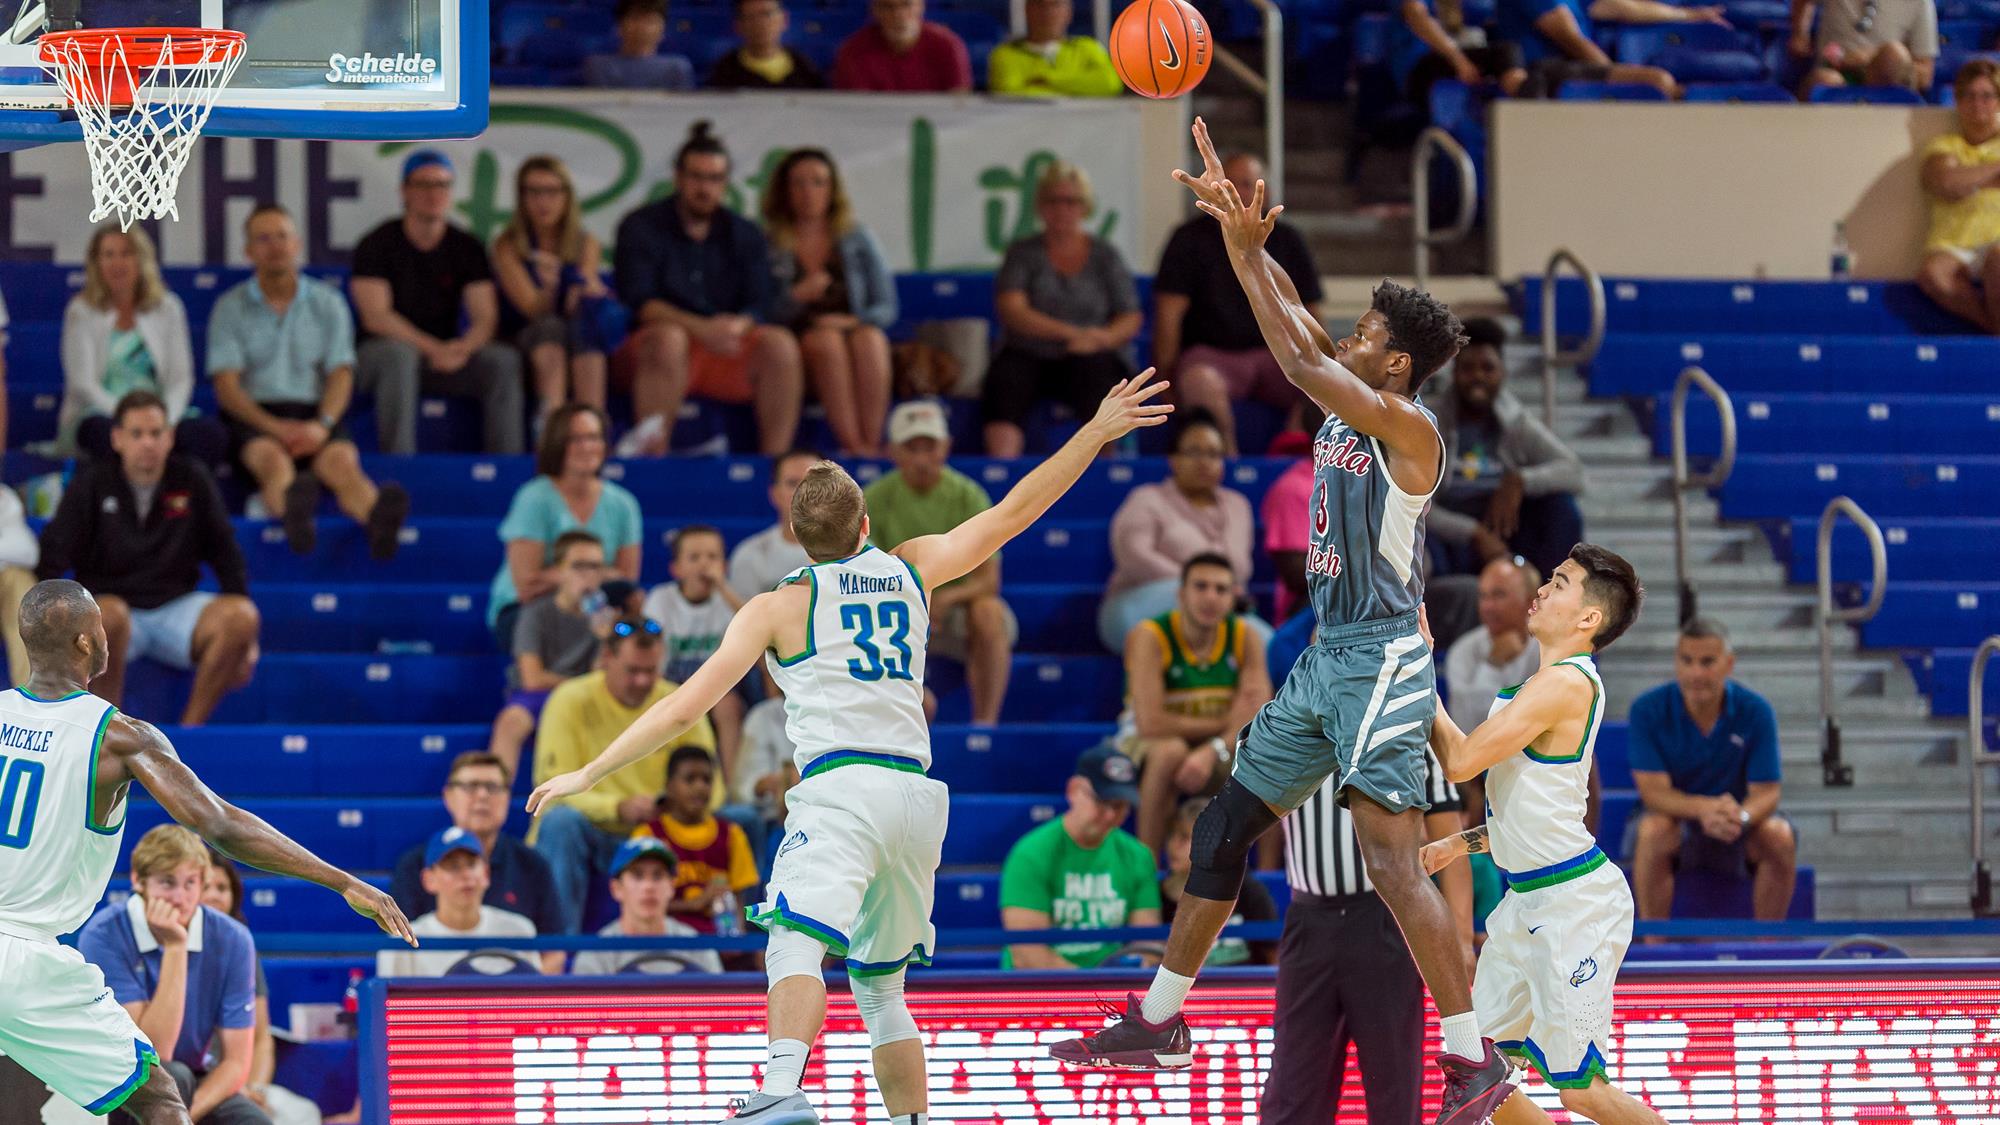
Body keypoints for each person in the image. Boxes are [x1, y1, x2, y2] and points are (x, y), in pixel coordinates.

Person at [527, 375, 1171, 1125]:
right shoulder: (912, 566)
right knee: (883, 988)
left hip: (842, 789)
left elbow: (682, 707)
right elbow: (1014, 511)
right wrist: (1095, 430)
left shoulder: (778, 605)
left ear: (797, 536)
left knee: (792, 941)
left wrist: (590, 771)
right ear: (866, 522)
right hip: (917, 798)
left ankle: (781, 1087)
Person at [1052, 118, 1515, 1125]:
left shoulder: (1410, 429)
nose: (1348, 337)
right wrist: (1243, 246)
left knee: (1388, 857)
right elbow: (1302, 332)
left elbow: (1303, 359)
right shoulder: (1353, 400)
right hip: (1324, 654)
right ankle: (1159, 1017)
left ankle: (1472, 1055)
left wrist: (1243, 253)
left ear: (1397, 368)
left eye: (1368, 337)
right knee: (1222, 826)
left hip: (1383, 655)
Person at [0, 578, 411, 1125]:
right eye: (99, 624)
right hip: (24, 956)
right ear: (84, 641)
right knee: (160, 1101)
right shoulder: (118, 736)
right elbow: (219, 824)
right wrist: (342, 880)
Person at [1420, 545, 1663, 1125]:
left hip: (1574, 904)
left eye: (1559, 583)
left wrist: (1419, 672)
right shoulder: (1545, 684)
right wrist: (1460, 843)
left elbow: (1461, 762)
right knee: (1483, 1077)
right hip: (1527, 899)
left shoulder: (1567, 684)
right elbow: (1535, 811)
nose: (1543, 590)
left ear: (1588, 618)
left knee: (1582, 1092)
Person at [1261, 636, 1470, 1125]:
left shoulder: (1409, 728)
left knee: (1394, 1084)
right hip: (1308, 921)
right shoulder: (1281, 726)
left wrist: (1460, 938)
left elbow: (1450, 844)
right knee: (1292, 1089)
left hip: (1386, 923)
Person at [37, 392, 260, 727]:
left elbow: (225, 552)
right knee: (108, 614)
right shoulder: (91, 482)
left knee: (242, 617)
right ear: (117, 438)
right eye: (137, 434)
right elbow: (55, 551)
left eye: (156, 433)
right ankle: (106, 734)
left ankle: (189, 733)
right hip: (111, 611)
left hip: (175, 608)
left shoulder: (192, 478)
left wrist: (247, 643)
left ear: (170, 437)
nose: (148, 443)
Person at [210, 204, 409, 560]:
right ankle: (293, 512)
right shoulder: (230, 307)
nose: (275, 246)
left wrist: (322, 425)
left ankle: (378, 522)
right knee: (274, 463)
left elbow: (341, 374)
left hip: (315, 413)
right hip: (255, 418)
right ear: (248, 251)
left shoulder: (328, 303)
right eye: (264, 239)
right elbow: (226, 388)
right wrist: (274, 428)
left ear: (297, 243)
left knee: (343, 463)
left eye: (282, 236)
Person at [614, 122, 804, 457]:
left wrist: (738, 326)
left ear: (725, 183)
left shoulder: (744, 232)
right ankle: (653, 461)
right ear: (678, 178)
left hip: (725, 347)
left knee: (780, 344)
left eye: (714, 179)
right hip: (656, 351)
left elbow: (761, 300)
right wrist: (702, 329)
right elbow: (640, 301)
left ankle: (778, 468)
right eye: (696, 177)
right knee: (668, 339)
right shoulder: (641, 226)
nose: (704, 188)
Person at [531, 617, 717, 933]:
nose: (642, 681)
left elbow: (714, 784)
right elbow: (550, 790)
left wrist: (672, 806)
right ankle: (558, 948)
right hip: (594, 831)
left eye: (651, 671)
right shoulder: (569, 699)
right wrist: (617, 807)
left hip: (662, 830)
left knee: (744, 820)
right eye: (632, 671)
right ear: (607, 657)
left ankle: (751, 947)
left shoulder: (677, 701)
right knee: (560, 823)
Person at [79, 826, 265, 1125]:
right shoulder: (104, 935)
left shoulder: (233, 938)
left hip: (194, 1079)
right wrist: (176, 946)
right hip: (124, 1079)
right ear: (139, 881)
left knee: (251, 1120)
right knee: (174, 1075)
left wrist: (183, 1117)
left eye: (190, 883)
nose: (180, 898)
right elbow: (155, 1052)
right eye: (167, 882)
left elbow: (235, 1062)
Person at [349, 149, 526, 456]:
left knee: (502, 361)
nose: (434, 194)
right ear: (405, 190)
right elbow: (376, 317)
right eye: (424, 185)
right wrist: (433, 348)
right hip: (381, 357)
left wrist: (462, 348)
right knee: (398, 357)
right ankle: (400, 466)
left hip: (444, 358)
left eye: (442, 185)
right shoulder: (376, 244)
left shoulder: (467, 246)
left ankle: (506, 466)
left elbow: (485, 317)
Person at [1627, 617, 1797, 923]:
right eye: (1687, 661)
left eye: (1707, 662)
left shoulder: (1756, 711)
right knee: (1653, 831)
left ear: (1728, 664)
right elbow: (1654, 793)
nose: (1696, 673)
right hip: (1675, 823)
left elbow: (1768, 792)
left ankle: (1768, 945)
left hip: (1736, 825)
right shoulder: (1646, 710)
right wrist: (1706, 809)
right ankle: (1655, 946)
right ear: (1676, 662)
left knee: (1779, 835)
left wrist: (1739, 817)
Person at [1153, 152, 1323, 455]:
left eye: (1246, 184)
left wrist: (1323, 365)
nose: (1236, 192)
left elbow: (1310, 313)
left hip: (1277, 355)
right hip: (1213, 357)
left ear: (1265, 191)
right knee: (1200, 380)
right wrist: (1167, 376)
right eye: (1229, 184)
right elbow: (1169, 316)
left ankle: (1291, 455)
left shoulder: (1287, 239)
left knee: (1324, 377)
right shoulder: (1188, 239)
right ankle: (1228, 463)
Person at [865, 400, 1017, 727]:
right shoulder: (873, 499)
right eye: (912, 448)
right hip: (896, 607)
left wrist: (946, 597)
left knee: (989, 612)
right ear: (893, 452)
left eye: (930, 447)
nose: (922, 458)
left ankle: (985, 724)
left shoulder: (968, 495)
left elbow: (989, 581)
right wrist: (916, 596)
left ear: (946, 447)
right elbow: (863, 571)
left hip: (953, 613)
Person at [981, 161, 1142, 458]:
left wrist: (1102, 339)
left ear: (1085, 207)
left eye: (1071, 201)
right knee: (1004, 384)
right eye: (1054, 201)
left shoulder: (1105, 255)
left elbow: (1129, 315)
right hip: (1028, 352)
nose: (1062, 209)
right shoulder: (1022, 253)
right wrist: (1073, 334)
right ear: (1041, 207)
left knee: (1103, 384)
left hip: (1091, 354)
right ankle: (1003, 471)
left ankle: (1103, 470)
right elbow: (1013, 310)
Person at [1117, 553, 1271, 856]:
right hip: (1147, 743)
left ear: (1232, 598)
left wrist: (1212, 749)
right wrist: (1226, 723)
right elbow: (1151, 724)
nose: (1210, 597)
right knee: (1170, 751)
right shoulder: (1150, 636)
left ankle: (1270, 875)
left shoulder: (1245, 636)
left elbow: (1257, 716)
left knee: (1272, 760)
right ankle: (1146, 867)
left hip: (1216, 745)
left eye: (1221, 589)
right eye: (1201, 586)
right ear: (1181, 594)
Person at [763, 148, 898, 458]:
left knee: (871, 339)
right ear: (785, 190)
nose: (808, 192)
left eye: (818, 182)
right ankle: (853, 446)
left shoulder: (857, 237)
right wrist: (797, 296)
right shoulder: (770, 242)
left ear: (832, 189)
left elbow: (887, 305)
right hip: (801, 338)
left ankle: (872, 442)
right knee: (826, 341)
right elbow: (765, 312)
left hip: (853, 329)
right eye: (799, 183)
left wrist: (854, 321)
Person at [1426, 318, 1584, 581]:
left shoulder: (1515, 420)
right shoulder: (1430, 422)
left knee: (1561, 509)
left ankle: (1556, 594)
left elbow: (1574, 471)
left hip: (1504, 529)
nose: (1478, 377)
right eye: (1468, 368)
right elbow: (1417, 505)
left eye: (1487, 368)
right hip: (1452, 536)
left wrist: (1520, 480)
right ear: (1454, 373)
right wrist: (1474, 533)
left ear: (1502, 372)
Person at [59, 224, 224, 466]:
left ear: (142, 259)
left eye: (126, 253)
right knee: (106, 436)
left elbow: (181, 379)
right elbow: (83, 384)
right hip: (103, 413)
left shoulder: (168, 307)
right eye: (108, 254)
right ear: (96, 262)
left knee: (207, 436)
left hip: (161, 413)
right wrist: (132, 421)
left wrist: (163, 421)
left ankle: (172, 490)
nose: (117, 262)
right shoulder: (81, 311)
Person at [486, 403, 643, 652]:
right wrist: (598, 575)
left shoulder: (624, 504)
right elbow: (527, 585)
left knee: (632, 624)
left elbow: (626, 582)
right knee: (581, 631)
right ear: (557, 444)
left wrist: (564, 575)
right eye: (575, 439)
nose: (586, 447)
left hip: (595, 607)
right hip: (526, 609)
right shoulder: (534, 498)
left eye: (593, 437)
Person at [1096, 409, 1256, 652]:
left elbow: (1241, 569)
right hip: (1139, 602)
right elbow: (1134, 558)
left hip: (1219, 606)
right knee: (1204, 600)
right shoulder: (1146, 499)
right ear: (1174, 459)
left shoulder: (1238, 505)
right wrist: (1200, 585)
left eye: (1213, 454)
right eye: (1194, 452)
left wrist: (1213, 590)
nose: (1204, 461)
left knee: (1265, 643)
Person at [998, 746, 1163, 970]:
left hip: (1109, 983)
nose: (1110, 815)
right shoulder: (1031, 854)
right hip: (1043, 987)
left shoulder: (1138, 856)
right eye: (1102, 801)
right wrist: (1093, 986)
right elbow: (1028, 955)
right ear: (1074, 791)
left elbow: (1146, 943)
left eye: (1120, 806)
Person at [388, 751, 565, 954]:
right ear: (448, 796)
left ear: (508, 796)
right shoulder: (413, 866)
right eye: (470, 786)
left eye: (492, 787)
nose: (482, 795)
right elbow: (398, 948)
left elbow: (553, 951)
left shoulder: (533, 864)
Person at [491, 156, 611, 428]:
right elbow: (531, 308)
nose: (543, 201)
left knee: (586, 328)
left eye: (552, 192)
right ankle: (549, 427)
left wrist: (586, 291)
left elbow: (579, 301)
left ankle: (594, 427)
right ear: (522, 197)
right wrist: (551, 289)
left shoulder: (585, 242)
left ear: (567, 196)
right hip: (523, 335)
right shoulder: (508, 245)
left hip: (573, 332)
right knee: (550, 327)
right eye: (534, 192)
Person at [198, 855, 319, 1125]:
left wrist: (255, 1090)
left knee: (304, 1113)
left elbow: (261, 1038)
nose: (214, 895)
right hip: (196, 1080)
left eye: (222, 888)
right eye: (206, 886)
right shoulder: (171, 948)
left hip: (240, 1082)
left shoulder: (243, 950)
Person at [491, 531, 611, 778]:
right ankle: (495, 789)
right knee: (511, 722)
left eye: (595, 567)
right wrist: (578, 683)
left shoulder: (607, 620)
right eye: (579, 566)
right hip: (540, 696)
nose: (588, 575)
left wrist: (606, 641)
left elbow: (607, 677)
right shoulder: (534, 614)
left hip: (588, 697)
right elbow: (532, 679)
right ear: (559, 571)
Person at [644, 525, 746, 781]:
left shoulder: (729, 600)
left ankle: (731, 783)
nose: (704, 564)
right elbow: (652, 651)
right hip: (669, 681)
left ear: (724, 565)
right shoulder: (661, 599)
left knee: (728, 705)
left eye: (712, 557)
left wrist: (723, 588)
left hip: (715, 687)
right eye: (694, 557)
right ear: (676, 568)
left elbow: (753, 624)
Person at [632, 746, 763, 936]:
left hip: (717, 943)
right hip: (663, 940)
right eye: (690, 779)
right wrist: (694, 904)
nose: (700, 787)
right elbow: (636, 904)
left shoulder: (732, 834)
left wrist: (736, 942)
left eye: (707, 780)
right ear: (669, 786)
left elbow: (738, 905)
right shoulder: (647, 835)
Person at [377, 828, 541, 978]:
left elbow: (535, 994)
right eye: (453, 866)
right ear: (429, 879)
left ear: (486, 873)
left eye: (472, 864)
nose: (466, 874)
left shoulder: (519, 931)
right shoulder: (401, 944)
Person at [1916, 60, 2000, 333]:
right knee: (1933, 273)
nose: (1978, 104)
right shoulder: (1944, 145)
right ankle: (1991, 330)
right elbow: (1945, 182)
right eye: (1969, 96)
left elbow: (1957, 183)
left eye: (1987, 96)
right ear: (1959, 102)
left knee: (1998, 260)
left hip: (1997, 241)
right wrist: (1994, 172)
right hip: (1953, 244)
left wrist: (1968, 178)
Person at [1499, 0, 1725, 98]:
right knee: (1656, 81)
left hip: (1573, 71)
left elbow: (1623, 8)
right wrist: (1615, 73)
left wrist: (1688, 15)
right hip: (1542, 74)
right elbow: (1572, 40)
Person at [571, 837, 723, 976]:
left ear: (671, 886)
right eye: (637, 876)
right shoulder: (596, 953)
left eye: (658, 876)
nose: (648, 886)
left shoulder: (697, 946)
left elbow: (718, 996)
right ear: (616, 888)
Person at [1158, 799, 1278, 969]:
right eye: (1172, 835)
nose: (1173, 845)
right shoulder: (1158, 895)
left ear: (1211, 842)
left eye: (1184, 837)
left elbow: (1273, 954)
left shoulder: (1248, 890)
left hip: (1243, 983)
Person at [1791, 0, 1936, 96]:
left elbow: (1925, 75)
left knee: (1893, 55)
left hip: (1884, 84)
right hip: (1834, 72)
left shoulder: (1920, 2)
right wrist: (1800, 34)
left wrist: (1873, 60)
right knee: (1827, 80)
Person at [729, 449, 820, 601]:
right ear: (775, 494)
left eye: (812, 483)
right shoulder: (748, 556)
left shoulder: (853, 552)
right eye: (792, 483)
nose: (804, 492)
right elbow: (743, 614)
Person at [986, 0, 1122, 96]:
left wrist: (1047, 79)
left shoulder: (1088, 47)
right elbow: (1008, 93)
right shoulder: (1004, 53)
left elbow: (1110, 83)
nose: (1047, 12)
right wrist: (1078, 87)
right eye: (1040, 4)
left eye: (1056, 5)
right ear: (1026, 10)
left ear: (1069, 12)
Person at [831, 0, 972, 91]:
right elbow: (852, 106)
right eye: (887, 7)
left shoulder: (948, 46)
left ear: (921, 6)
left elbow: (959, 102)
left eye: (906, 4)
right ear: (874, 11)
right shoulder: (853, 50)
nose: (898, 14)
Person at [706, 0, 828, 88]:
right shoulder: (724, 72)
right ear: (738, 26)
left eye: (767, 14)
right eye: (751, 17)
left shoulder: (805, 68)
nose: (760, 23)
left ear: (784, 19)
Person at [583, 0, 696, 90]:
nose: (642, 28)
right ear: (619, 26)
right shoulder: (597, 67)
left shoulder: (677, 68)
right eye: (635, 19)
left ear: (663, 29)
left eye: (650, 21)